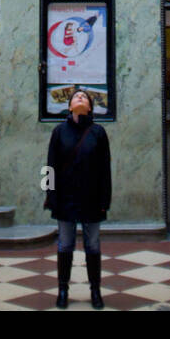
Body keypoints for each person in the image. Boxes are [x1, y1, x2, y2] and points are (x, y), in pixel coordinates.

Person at [44, 87, 112, 310]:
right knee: (65, 244)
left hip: (92, 198)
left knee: (92, 245)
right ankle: (63, 289)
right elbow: (49, 167)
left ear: (90, 107)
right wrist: (50, 196)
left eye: (84, 96)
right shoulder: (59, 132)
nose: (80, 97)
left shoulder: (98, 133)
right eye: (76, 96)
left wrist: (105, 201)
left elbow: (105, 170)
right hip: (65, 198)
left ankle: (95, 290)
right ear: (70, 105)